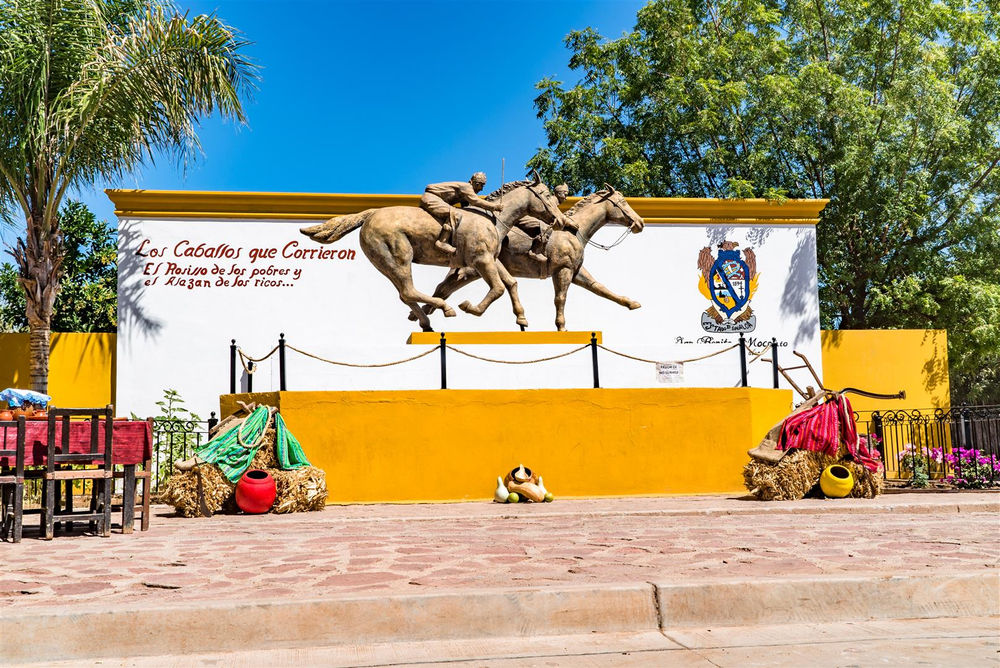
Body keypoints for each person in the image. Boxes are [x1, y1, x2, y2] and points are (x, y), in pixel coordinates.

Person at [420, 172, 503, 255]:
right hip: (432, 198)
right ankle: (442, 241)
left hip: (436, 199)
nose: (481, 189)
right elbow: (476, 201)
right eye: (481, 185)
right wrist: (494, 206)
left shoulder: (465, 193)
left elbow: (467, 208)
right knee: (455, 214)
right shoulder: (466, 187)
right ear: (475, 183)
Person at [516, 182, 571, 262]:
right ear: (559, 194)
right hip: (526, 217)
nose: (566, 198)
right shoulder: (552, 200)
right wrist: (570, 223)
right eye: (565, 195)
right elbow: (558, 216)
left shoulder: (555, 202)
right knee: (546, 228)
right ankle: (535, 251)